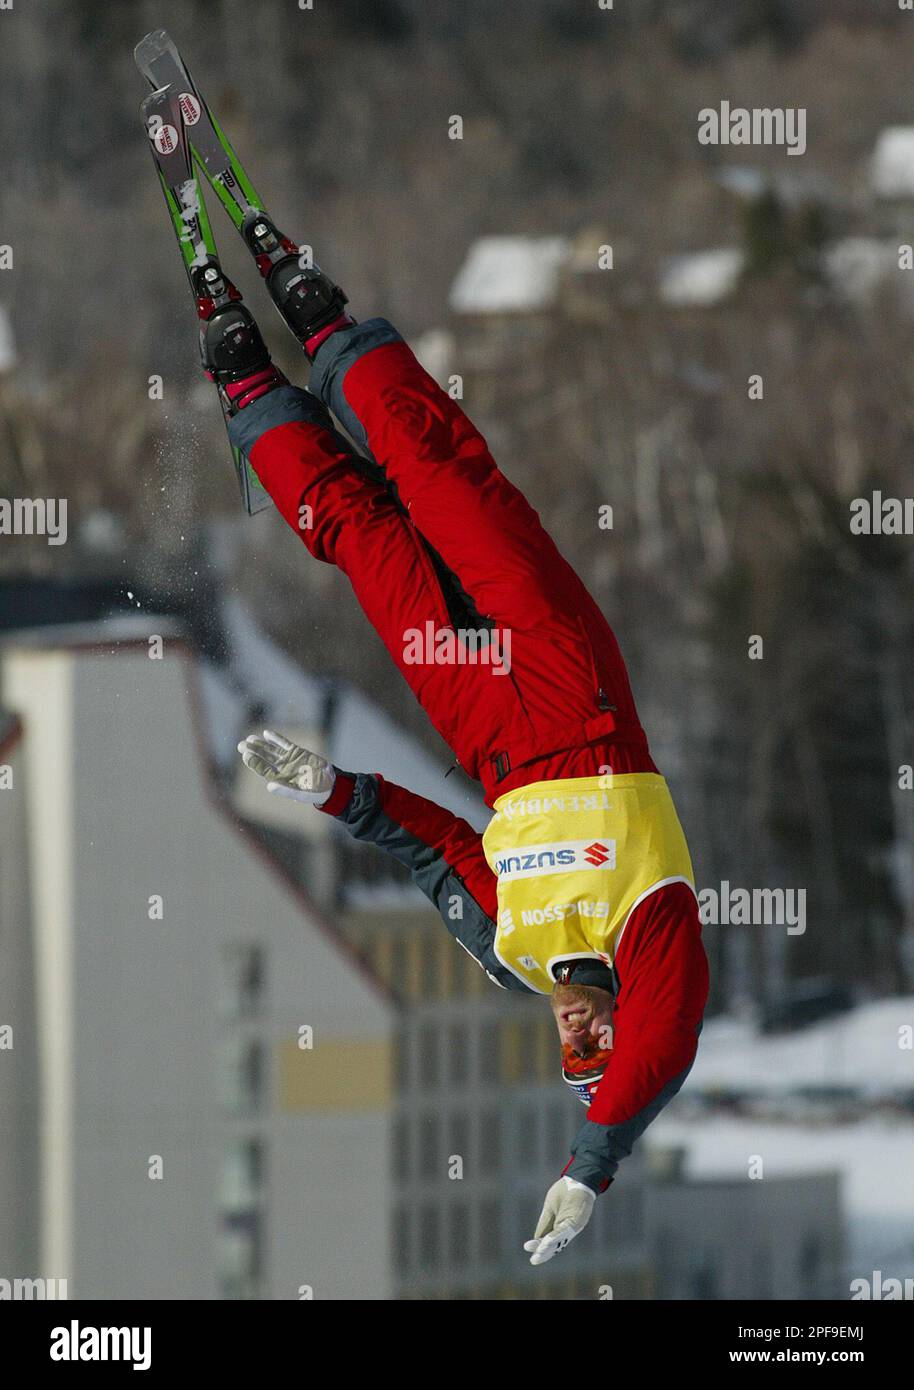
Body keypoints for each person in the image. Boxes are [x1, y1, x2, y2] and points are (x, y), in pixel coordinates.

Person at [207, 227, 710, 1265]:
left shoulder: (515, 952)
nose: (579, 1028)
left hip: (480, 727)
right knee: (442, 484)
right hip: (570, 692)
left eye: (570, 1043)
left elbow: (434, 848)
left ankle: (252, 391)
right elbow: (661, 1049)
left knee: (365, 539)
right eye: (591, 1038)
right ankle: (327, 326)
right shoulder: (648, 935)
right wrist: (588, 1161)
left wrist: (333, 787)